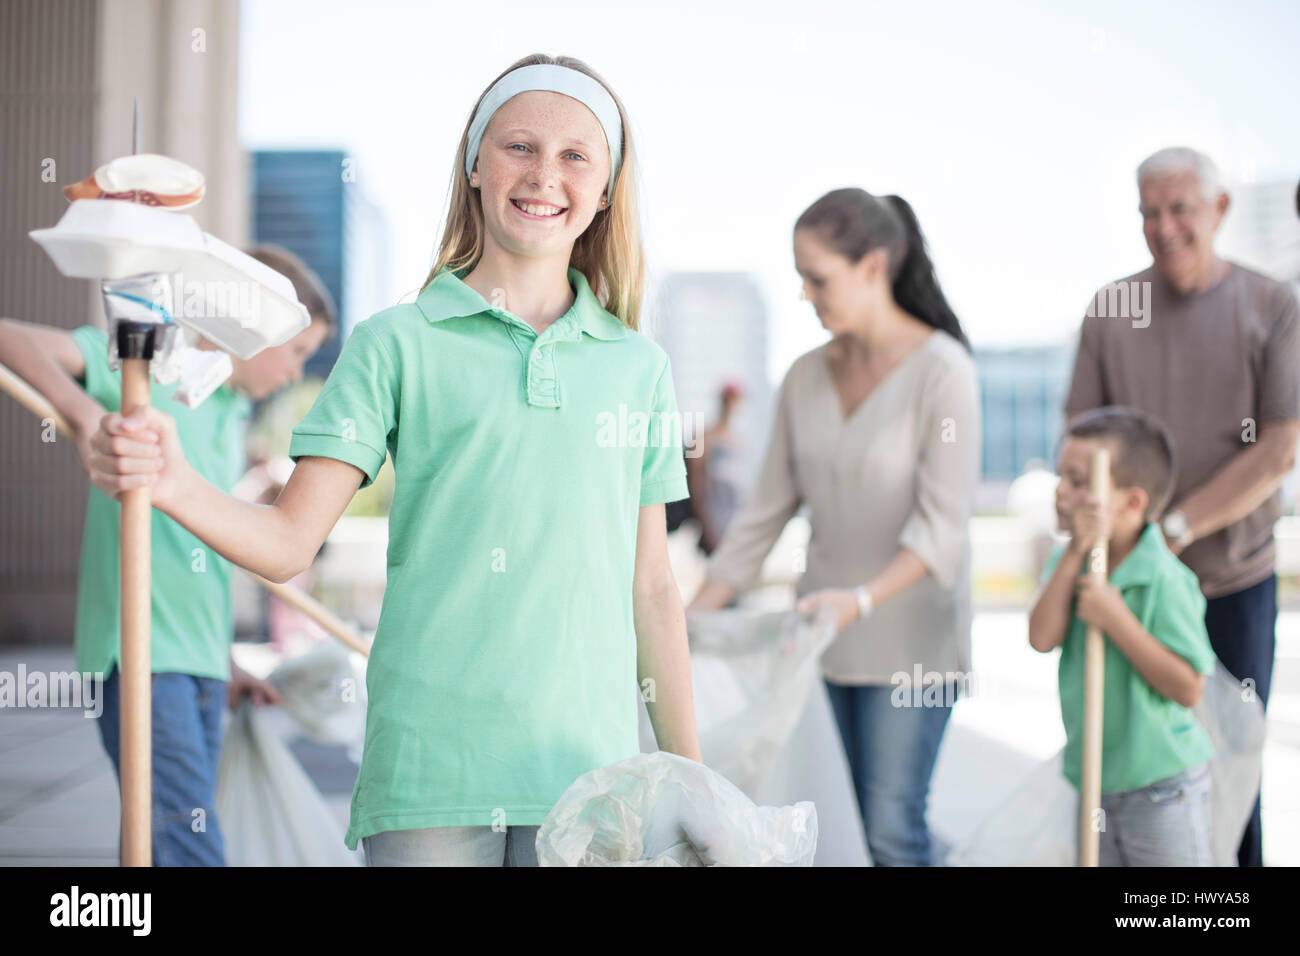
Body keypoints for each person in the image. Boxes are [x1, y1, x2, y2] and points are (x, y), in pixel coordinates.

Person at [86, 53, 702, 868]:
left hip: (589, 784)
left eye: (575, 156)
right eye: (519, 146)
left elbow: (653, 586)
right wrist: (171, 480)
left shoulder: (638, 367)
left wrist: (690, 779)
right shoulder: (394, 342)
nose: (544, 174)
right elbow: (286, 542)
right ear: (476, 165)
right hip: (428, 776)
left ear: (605, 193)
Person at [0, 243, 334, 865]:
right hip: (143, 656)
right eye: (295, 353)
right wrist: (83, 414)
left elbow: (189, 557)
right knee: (187, 839)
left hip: (198, 662)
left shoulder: (229, 413)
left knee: (160, 837)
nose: (294, 374)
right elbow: (10, 339)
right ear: (250, 328)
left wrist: (225, 662)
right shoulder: (142, 375)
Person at [688, 188, 980, 866]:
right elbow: (758, 523)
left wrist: (863, 600)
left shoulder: (944, 374)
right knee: (835, 832)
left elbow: (943, 529)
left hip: (912, 648)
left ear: (873, 266)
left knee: (888, 831)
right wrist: (680, 619)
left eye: (817, 278)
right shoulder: (803, 377)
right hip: (820, 640)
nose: (803, 294)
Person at [1064, 146, 1300, 866]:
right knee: (1130, 771)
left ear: (1220, 211)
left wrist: (1174, 526)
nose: (1163, 227)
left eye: (1180, 210)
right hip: (1129, 585)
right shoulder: (1112, 311)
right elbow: (1080, 438)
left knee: (1233, 774)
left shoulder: (1272, 306)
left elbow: (1283, 442)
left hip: (1231, 584)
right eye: (1148, 213)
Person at [1029, 406, 1216, 866]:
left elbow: (1188, 686)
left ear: (1132, 503)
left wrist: (1117, 619)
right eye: (1060, 476)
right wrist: (1075, 553)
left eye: (1078, 481)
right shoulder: (1067, 562)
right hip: (1095, 779)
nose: (1060, 491)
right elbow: (1041, 636)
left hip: (1161, 788)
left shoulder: (1164, 579)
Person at [686, 380, 746, 555]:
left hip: (734, 518)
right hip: (712, 519)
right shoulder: (702, 438)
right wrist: (706, 526)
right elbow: (696, 486)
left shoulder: (738, 441)